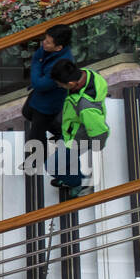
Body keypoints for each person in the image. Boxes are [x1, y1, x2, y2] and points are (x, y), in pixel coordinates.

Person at [51, 60, 111, 199]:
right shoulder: (89, 74)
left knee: (52, 167)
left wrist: (96, 146)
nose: (58, 85)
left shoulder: (86, 107)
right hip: (72, 129)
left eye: (59, 84)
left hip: (76, 138)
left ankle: (75, 183)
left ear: (71, 84)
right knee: (68, 160)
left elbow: (100, 132)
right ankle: (71, 176)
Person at [22, 24, 74, 179]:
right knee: (26, 112)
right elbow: (38, 57)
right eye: (45, 39)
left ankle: (38, 159)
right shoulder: (48, 51)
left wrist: (37, 63)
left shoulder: (62, 65)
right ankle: (59, 131)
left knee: (36, 134)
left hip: (47, 104)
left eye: (48, 42)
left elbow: (41, 83)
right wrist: (37, 63)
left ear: (58, 48)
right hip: (40, 98)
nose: (44, 43)